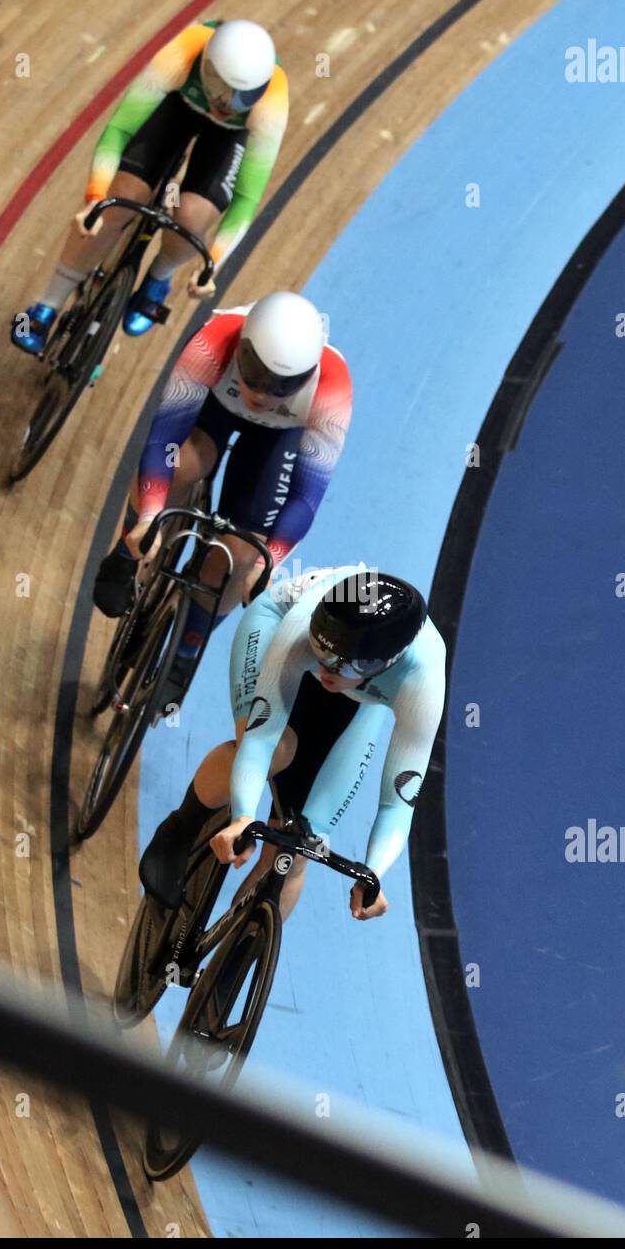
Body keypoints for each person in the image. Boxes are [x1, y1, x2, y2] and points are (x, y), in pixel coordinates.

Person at [138, 567, 446, 923]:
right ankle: (180, 829)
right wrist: (243, 816)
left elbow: (397, 803)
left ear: (388, 661)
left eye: (347, 662)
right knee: (279, 750)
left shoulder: (422, 680)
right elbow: (261, 739)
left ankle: (234, 962)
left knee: (304, 845)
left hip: (360, 701)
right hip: (276, 628)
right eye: (324, 649)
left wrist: (373, 874)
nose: (328, 667)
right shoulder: (302, 628)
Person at [93, 291, 352, 705]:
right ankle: (128, 552)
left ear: (308, 377)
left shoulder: (332, 389)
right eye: (254, 372)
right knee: (181, 466)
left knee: (239, 556)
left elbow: (304, 499)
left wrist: (272, 560)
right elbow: (163, 439)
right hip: (212, 409)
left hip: (276, 439)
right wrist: (149, 517)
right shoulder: (212, 342)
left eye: (282, 385)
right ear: (241, 346)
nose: (263, 394)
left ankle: (186, 647)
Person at [11, 19, 288, 353]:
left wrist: (211, 263)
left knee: (190, 218)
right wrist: (94, 199)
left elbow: (246, 199)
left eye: (245, 96)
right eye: (220, 86)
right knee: (119, 201)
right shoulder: (182, 52)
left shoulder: (272, 102)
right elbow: (119, 131)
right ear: (205, 65)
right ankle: (46, 306)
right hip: (177, 106)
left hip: (226, 137)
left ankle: (159, 276)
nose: (228, 103)